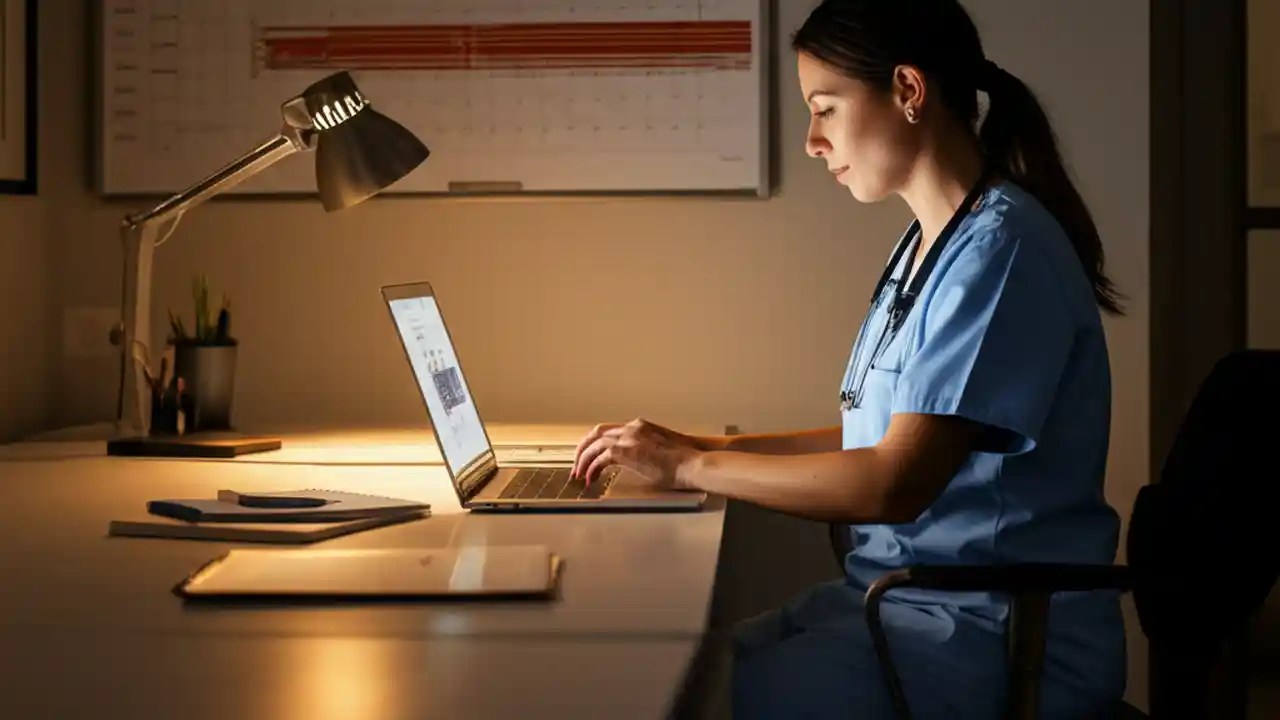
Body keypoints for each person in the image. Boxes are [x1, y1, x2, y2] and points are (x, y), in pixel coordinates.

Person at [568, 0, 1128, 717]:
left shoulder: (1001, 253)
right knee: (674, 668)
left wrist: (690, 468)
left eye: (826, 109)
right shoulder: (931, 243)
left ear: (908, 91)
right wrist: (692, 444)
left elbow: (893, 482)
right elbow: (874, 437)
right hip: (904, 607)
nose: (811, 141)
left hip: (988, 638)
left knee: (685, 697)